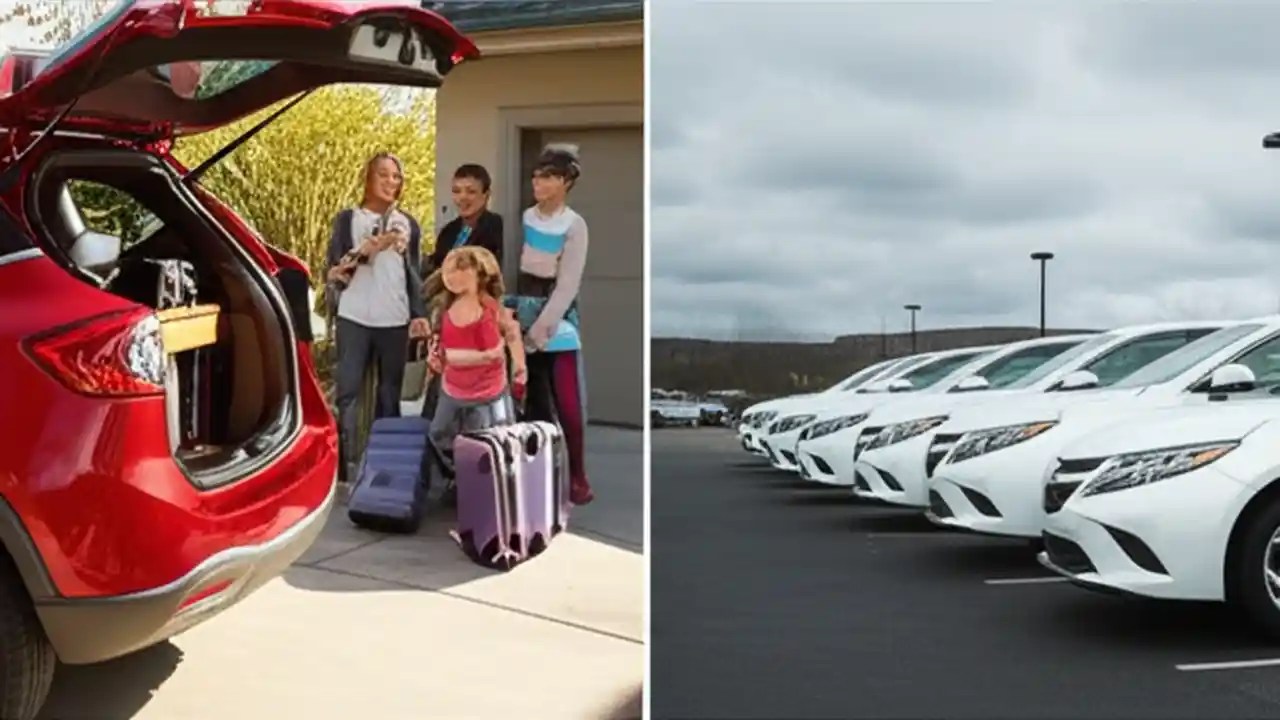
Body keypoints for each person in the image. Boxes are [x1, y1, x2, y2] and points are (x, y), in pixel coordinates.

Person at [324, 152, 430, 480]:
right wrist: (365, 250)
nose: (390, 182)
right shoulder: (348, 219)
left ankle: (386, 465)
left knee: (390, 392)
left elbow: (414, 271)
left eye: (396, 177)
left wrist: (418, 313)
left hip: (394, 318)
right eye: (383, 175)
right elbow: (332, 269)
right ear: (368, 178)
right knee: (348, 390)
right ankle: (344, 467)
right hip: (354, 315)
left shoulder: (407, 224)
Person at [507, 143, 594, 506]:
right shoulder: (526, 218)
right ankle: (538, 478)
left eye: (547, 177)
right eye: (535, 176)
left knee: (570, 409)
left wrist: (539, 332)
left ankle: (577, 474)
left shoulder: (575, 225)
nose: (538, 183)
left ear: (565, 181)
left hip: (556, 321)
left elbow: (567, 284)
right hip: (522, 311)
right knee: (534, 407)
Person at [426, 246, 526, 482]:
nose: (453, 276)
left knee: (487, 440)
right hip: (454, 388)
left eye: (462, 269)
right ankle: (459, 477)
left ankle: (488, 487)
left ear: (479, 274)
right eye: (450, 270)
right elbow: (443, 346)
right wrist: (435, 356)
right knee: (438, 434)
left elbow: (511, 335)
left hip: (487, 391)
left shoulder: (491, 308)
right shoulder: (443, 309)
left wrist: (520, 367)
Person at [420, 164, 504, 421]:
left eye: (471, 191)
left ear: (486, 195)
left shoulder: (495, 227)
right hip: (448, 316)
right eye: (457, 191)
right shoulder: (449, 232)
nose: (462, 198)